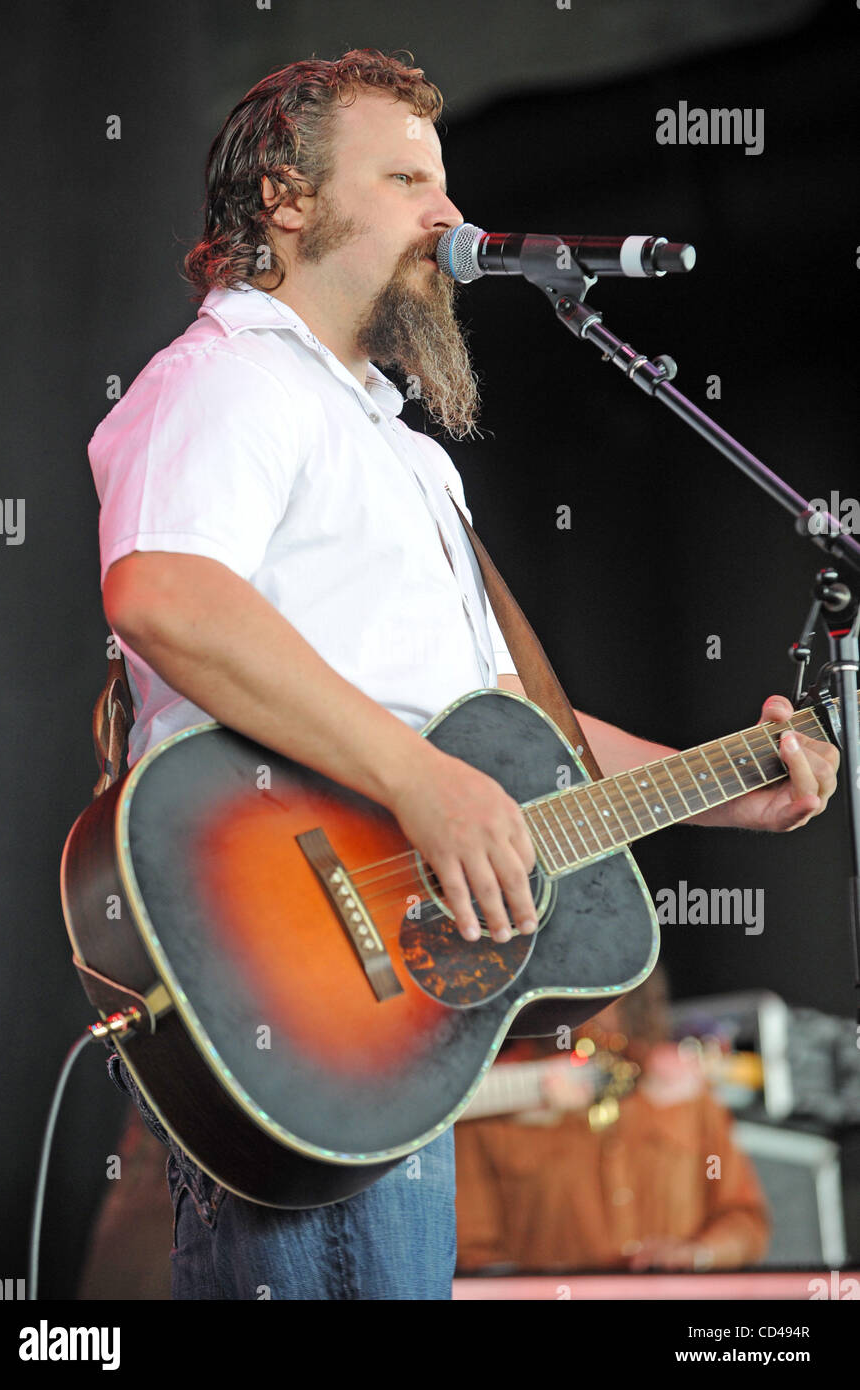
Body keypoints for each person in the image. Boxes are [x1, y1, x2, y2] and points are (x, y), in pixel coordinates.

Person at [88, 48, 839, 1300]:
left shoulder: (399, 449)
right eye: (407, 180)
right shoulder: (230, 379)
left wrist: (726, 787)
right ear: (286, 200)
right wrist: (418, 783)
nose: (452, 218)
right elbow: (165, 595)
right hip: (297, 984)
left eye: (447, 187)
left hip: (401, 1011)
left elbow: (517, 743)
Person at [455, 967, 771, 1273]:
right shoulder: (490, 1101)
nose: (596, 1007)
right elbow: (473, 1254)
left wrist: (697, 1256)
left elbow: (745, 1221)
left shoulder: (690, 1097)